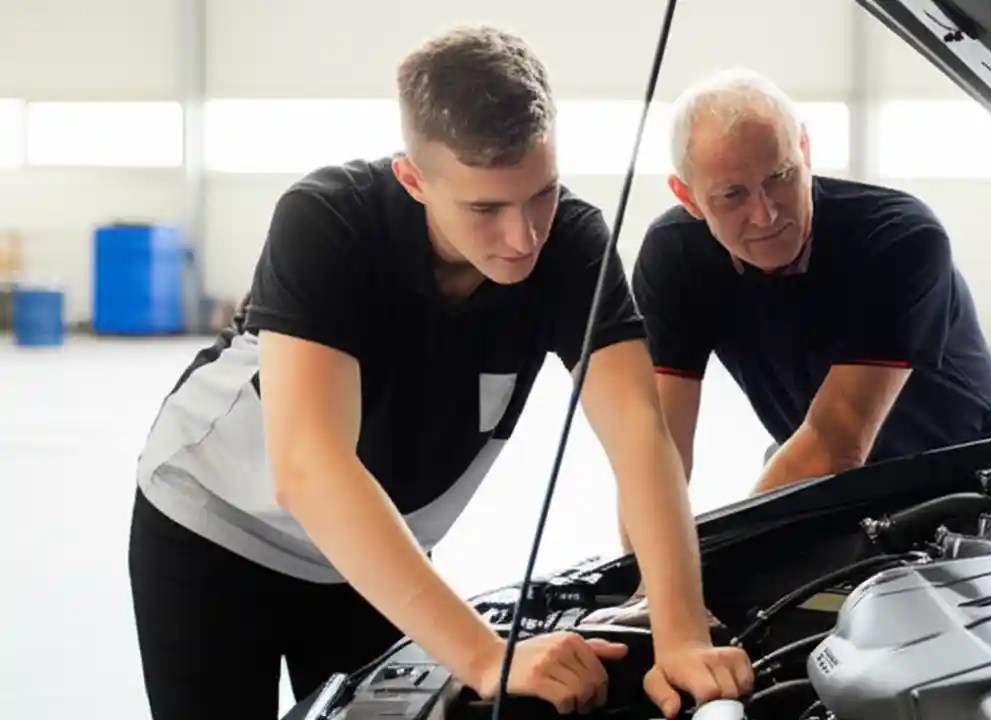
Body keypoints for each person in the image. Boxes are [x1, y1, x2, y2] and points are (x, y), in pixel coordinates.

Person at [127, 26, 751, 720]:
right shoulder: (328, 220)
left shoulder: (571, 241)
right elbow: (309, 467)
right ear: (414, 178)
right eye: (485, 208)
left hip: (372, 553)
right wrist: (488, 655)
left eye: (540, 193)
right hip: (215, 527)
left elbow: (639, 433)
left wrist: (681, 636)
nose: (524, 238)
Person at [631, 68, 991, 497]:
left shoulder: (897, 240)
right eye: (732, 195)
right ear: (688, 198)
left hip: (969, 483)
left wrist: (726, 554)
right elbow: (656, 450)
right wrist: (649, 563)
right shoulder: (676, 257)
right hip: (819, 472)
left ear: (805, 151)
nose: (765, 215)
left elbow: (838, 439)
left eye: (779, 176)